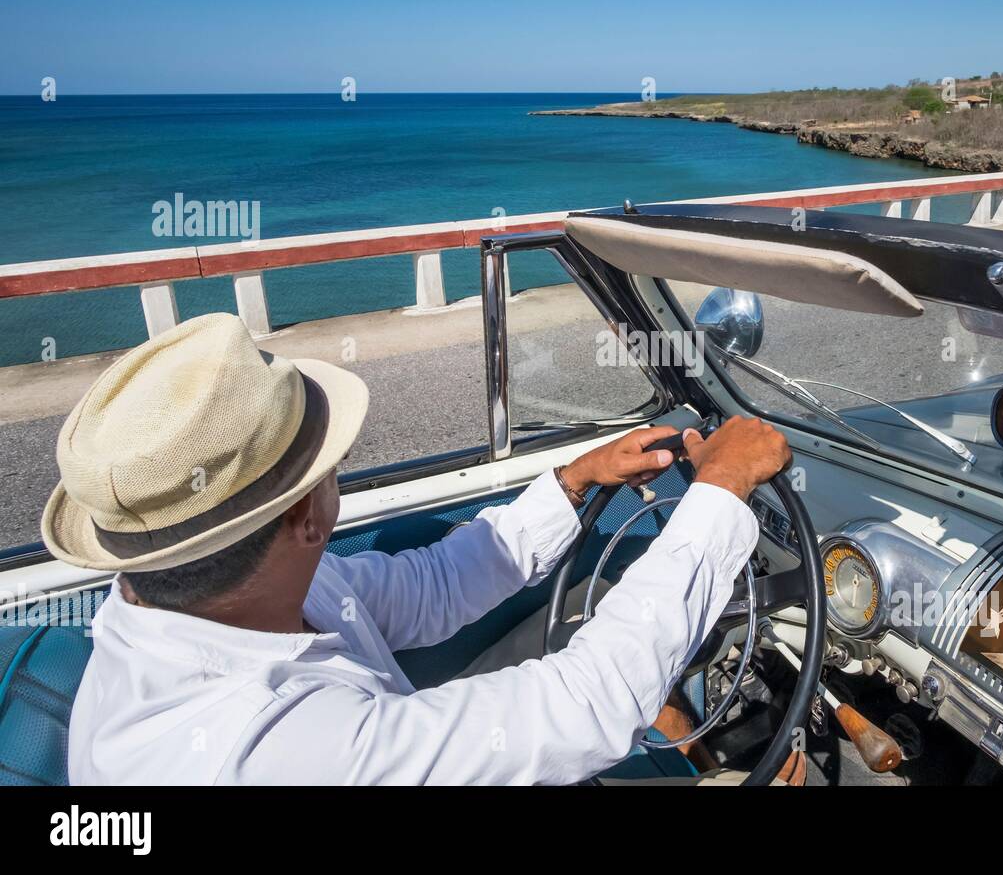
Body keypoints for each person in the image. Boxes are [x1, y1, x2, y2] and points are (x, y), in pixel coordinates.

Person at [47, 313, 790, 784]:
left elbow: (430, 587)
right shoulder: (261, 753)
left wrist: (570, 482)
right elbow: (581, 707)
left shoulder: (208, 592)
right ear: (307, 512)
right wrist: (719, 493)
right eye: (326, 457)